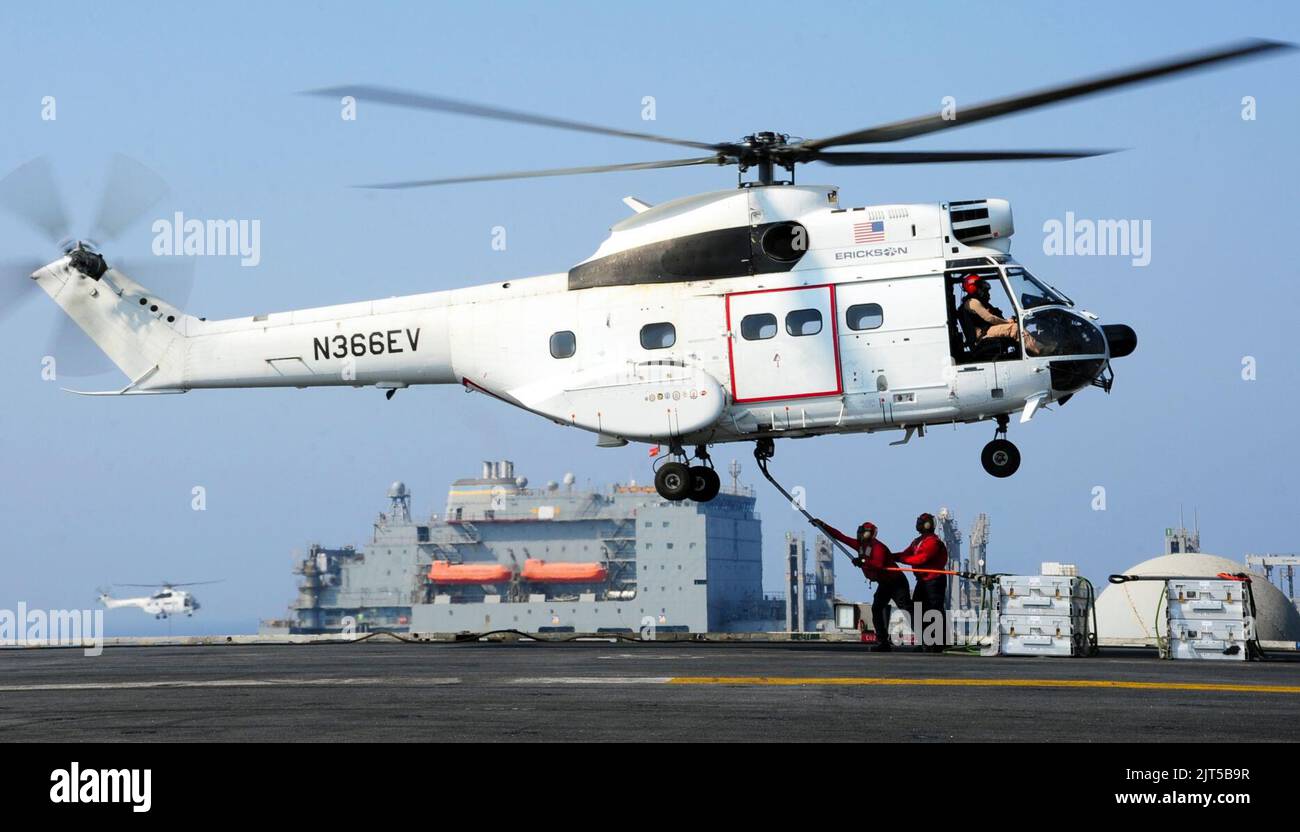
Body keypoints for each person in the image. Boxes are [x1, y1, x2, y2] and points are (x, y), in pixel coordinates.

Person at [814, 518, 911, 652]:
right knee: (877, 609)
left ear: (870, 534)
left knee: (907, 610)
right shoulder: (861, 546)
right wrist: (823, 525)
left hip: (896, 582)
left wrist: (862, 561)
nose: (860, 534)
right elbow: (841, 537)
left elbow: (878, 565)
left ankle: (929, 640)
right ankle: (883, 642)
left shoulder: (878, 548)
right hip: (885, 583)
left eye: (863, 532)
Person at [896, 512, 949, 652]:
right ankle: (927, 640)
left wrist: (901, 559)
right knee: (918, 610)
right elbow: (905, 554)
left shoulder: (933, 542)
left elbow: (921, 559)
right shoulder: (917, 542)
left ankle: (938, 644)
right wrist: (890, 557)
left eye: (921, 522)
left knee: (934, 611)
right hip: (922, 581)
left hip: (934, 581)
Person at [959, 274, 1041, 356]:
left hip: (986, 330)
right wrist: (1008, 323)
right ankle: (1040, 353)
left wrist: (1009, 321)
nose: (984, 288)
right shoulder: (972, 302)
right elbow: (989, 318)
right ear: (973, 287)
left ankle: (1034, 348)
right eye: (980, 286)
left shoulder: (977, 301)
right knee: (1015, 329)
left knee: (1015, 326)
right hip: (983, 334)